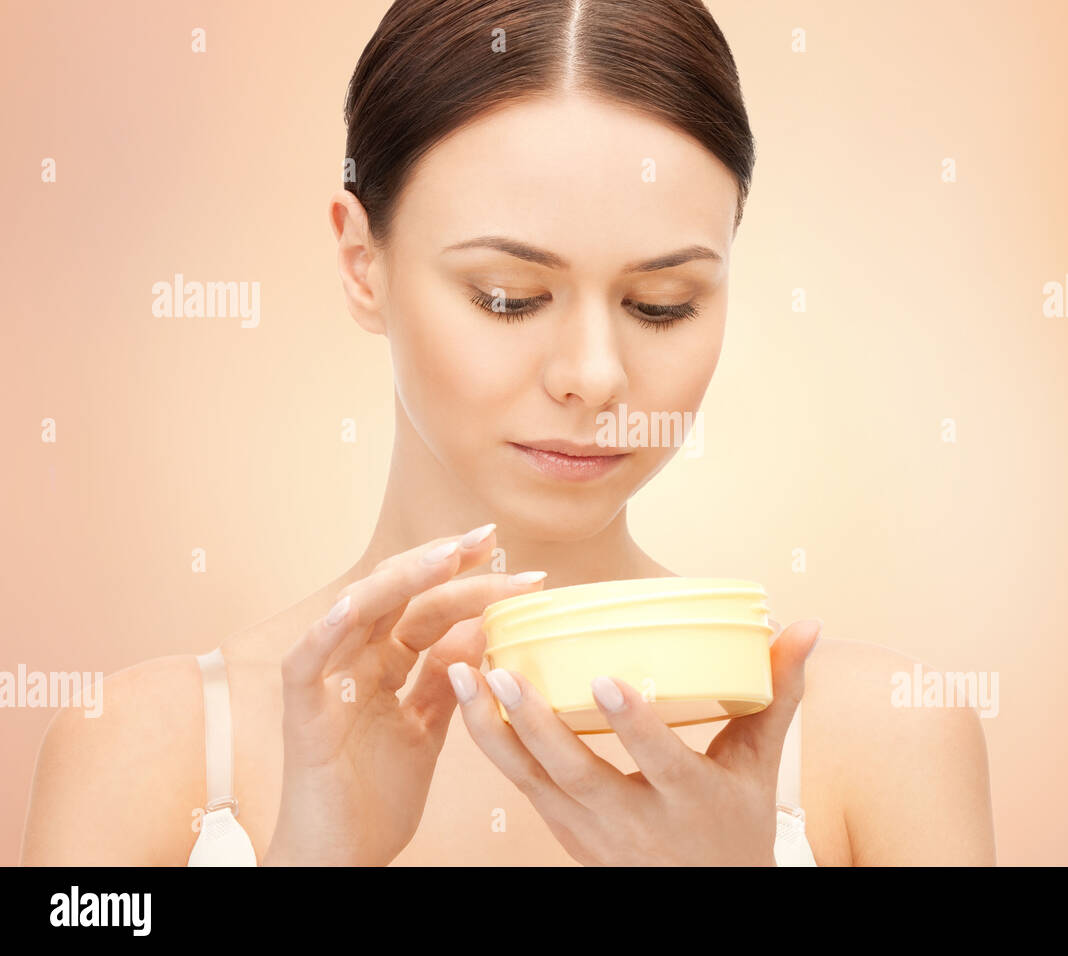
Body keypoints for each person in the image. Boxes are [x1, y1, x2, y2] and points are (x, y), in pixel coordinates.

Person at [21, 0, 995, 866]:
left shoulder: (881, 741)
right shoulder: (145, 753)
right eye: (509, 296)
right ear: (363, 262)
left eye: (662, 303)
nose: (593, 375)